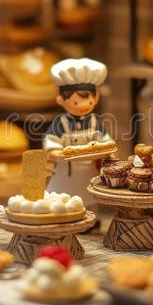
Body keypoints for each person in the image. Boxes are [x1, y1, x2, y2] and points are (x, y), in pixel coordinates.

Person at [43, 58, 111, 209]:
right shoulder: (61, 124)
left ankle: (92, 221)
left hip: (89, 172)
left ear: (96, 98)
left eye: (89, 101)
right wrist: (58, 153)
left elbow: (106, 144)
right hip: (65, 173)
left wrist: (108, 154)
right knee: (62, 200)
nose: (83, 106)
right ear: (61, 100)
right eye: (75, 103)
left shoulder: (94, 122)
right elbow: (51, 147)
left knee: (90, 200)